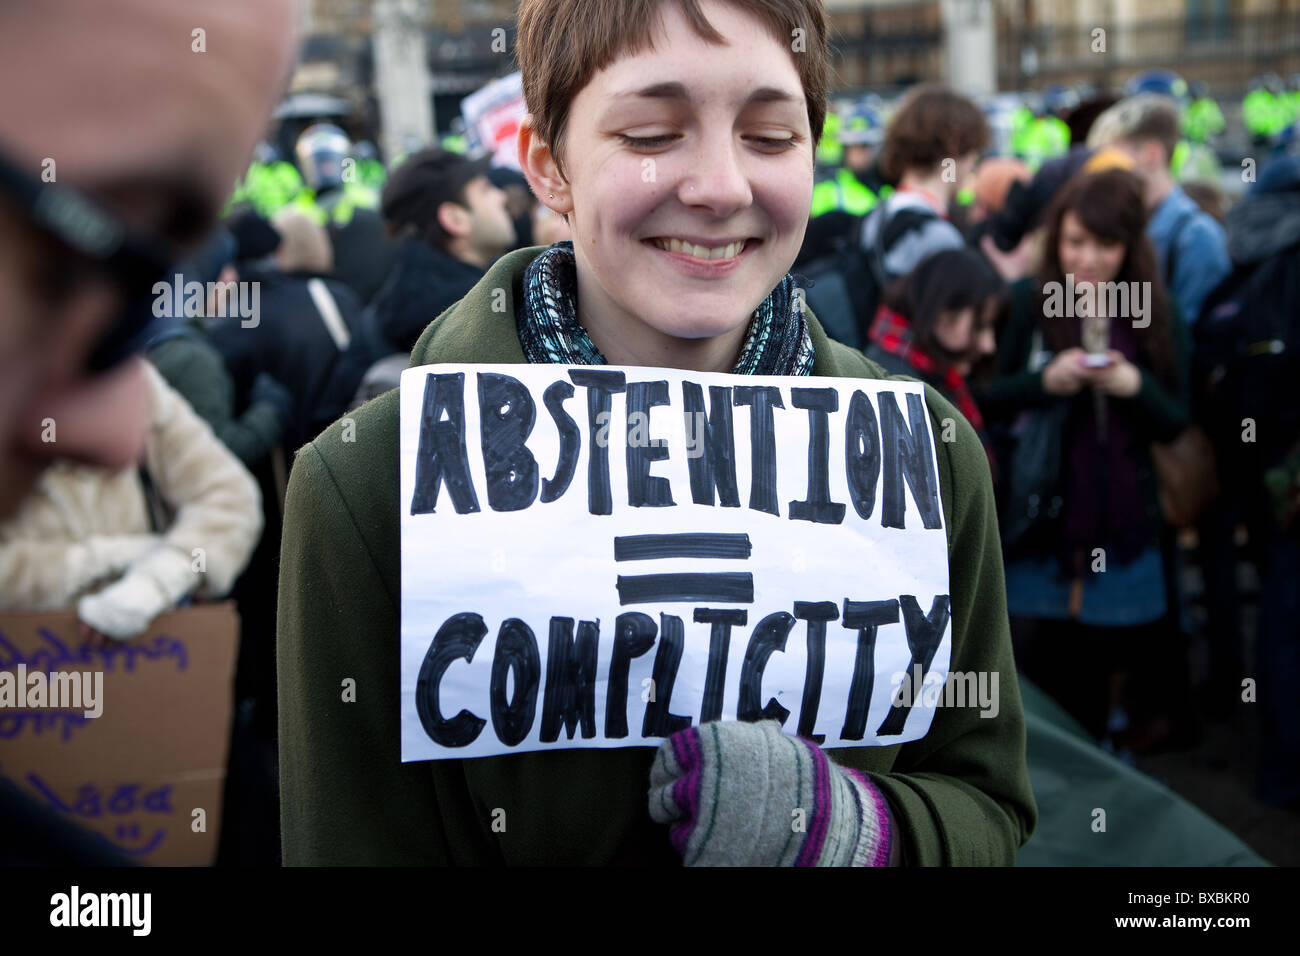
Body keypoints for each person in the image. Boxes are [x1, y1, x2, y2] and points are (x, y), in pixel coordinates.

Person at [278, 0, 1036, 866]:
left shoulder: (930, 457)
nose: (720, 186)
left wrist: (860, 831)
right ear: (548, 165)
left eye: (771, 135)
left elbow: (988, 803)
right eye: (648, 134)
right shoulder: (367, 482)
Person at [0, 0, 297, 865]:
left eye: (137, 298)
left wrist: (164, 569)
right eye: (59, 264)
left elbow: (225, 499)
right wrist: (101, 566)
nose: (118, 428)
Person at [975, 168, 1190, 743]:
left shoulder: (1151, 312)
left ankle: (1107, 775)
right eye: (1074, 242)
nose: (1087, 259)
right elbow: (980, 397)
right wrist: (1046, 381)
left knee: (1102, 676)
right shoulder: (1027, 302)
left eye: (1105, 244)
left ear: (1130, 247)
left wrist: (1134, 386)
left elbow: (1177, 420)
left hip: (1123, 534)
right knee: (1032, 689)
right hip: (1035, 531)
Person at [1087, 94, 1231, 327]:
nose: (1101, 173)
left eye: (1110, 159)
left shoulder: (1197, 238)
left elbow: (1191, 345)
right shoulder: (1134, 225)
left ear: (1151, 154)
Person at [864, 248, 1004, 466]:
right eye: (979, 326)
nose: (988, 345)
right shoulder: (894, 385)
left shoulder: (929, 371)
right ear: (942, 312)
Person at [369, 148, 517, 355]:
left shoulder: (412, 296)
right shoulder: (466, 316)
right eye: (485, 190)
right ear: (455, 219)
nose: (501, 196)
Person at [859, 84, 989, 290]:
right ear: (953, 145)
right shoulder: (939, 239)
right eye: (973, 151)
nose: (974, 164)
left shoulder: (878, 215)